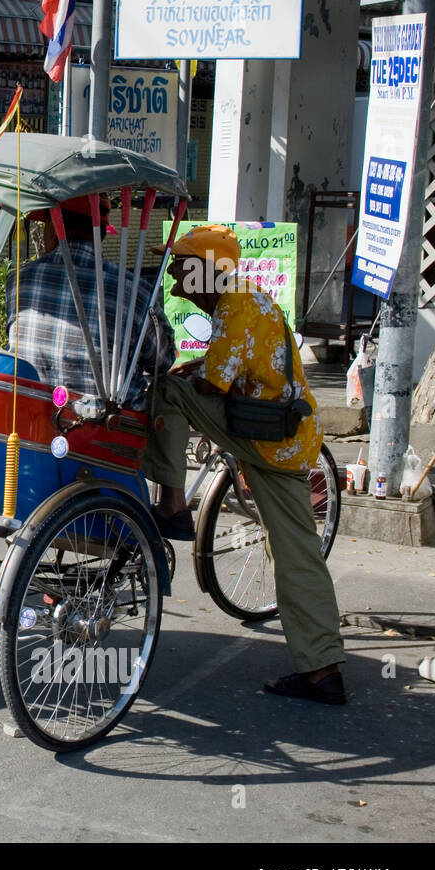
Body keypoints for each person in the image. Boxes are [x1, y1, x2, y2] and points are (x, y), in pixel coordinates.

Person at [142, 224, 345, 705]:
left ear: (206, 272)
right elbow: (232, 368)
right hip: (288, 438)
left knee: (169, 391)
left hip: (269, 439)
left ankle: (172, 504)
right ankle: (322, 669)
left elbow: (212, 389)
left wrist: (190, 375)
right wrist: (199, 367)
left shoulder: (235, 305)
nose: (172, 279)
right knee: (296, 553)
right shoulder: (246, 299)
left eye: (180, 268)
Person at [3, 195, 174, 405]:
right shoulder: (134, 290)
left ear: (54, 227)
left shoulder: (19, 280)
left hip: (34, 414)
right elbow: (163, 361)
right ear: (101, 231)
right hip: (109, 425)